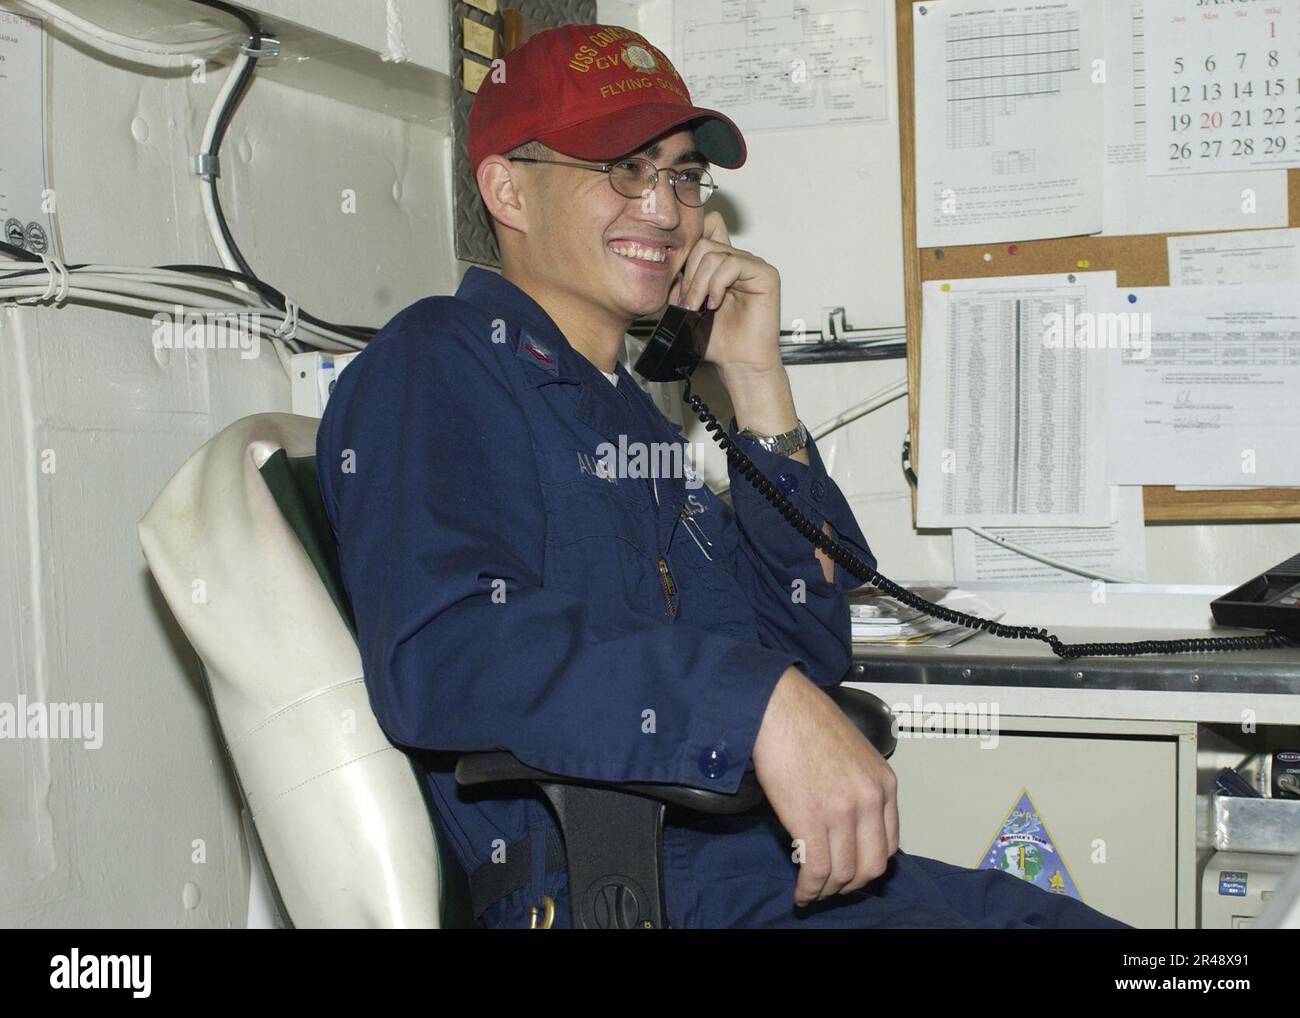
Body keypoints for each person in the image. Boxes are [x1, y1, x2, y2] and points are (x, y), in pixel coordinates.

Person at [316, 23, 1127, 930]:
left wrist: (754, 380)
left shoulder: (628, 414)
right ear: (507, 188)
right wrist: (753, 703)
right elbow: (446, 650)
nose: (667, 210)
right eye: (625, 168)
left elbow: (809, 644)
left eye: (683, 174)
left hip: (742, 865)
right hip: (620, 890)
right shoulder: (441, 361)